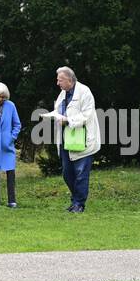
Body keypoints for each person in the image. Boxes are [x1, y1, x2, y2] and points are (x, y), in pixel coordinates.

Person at [53, 66, 101, 213]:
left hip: (82, 140)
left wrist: (68, 120)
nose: (57, 83)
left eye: (60, 80)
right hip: (66, 140)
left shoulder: (84, 92)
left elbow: (87, 115)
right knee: (67, 174)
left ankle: (79, 204)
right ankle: (75, 201)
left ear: (69, 80)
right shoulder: (63, 94)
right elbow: (58, 111)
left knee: (81, 174)